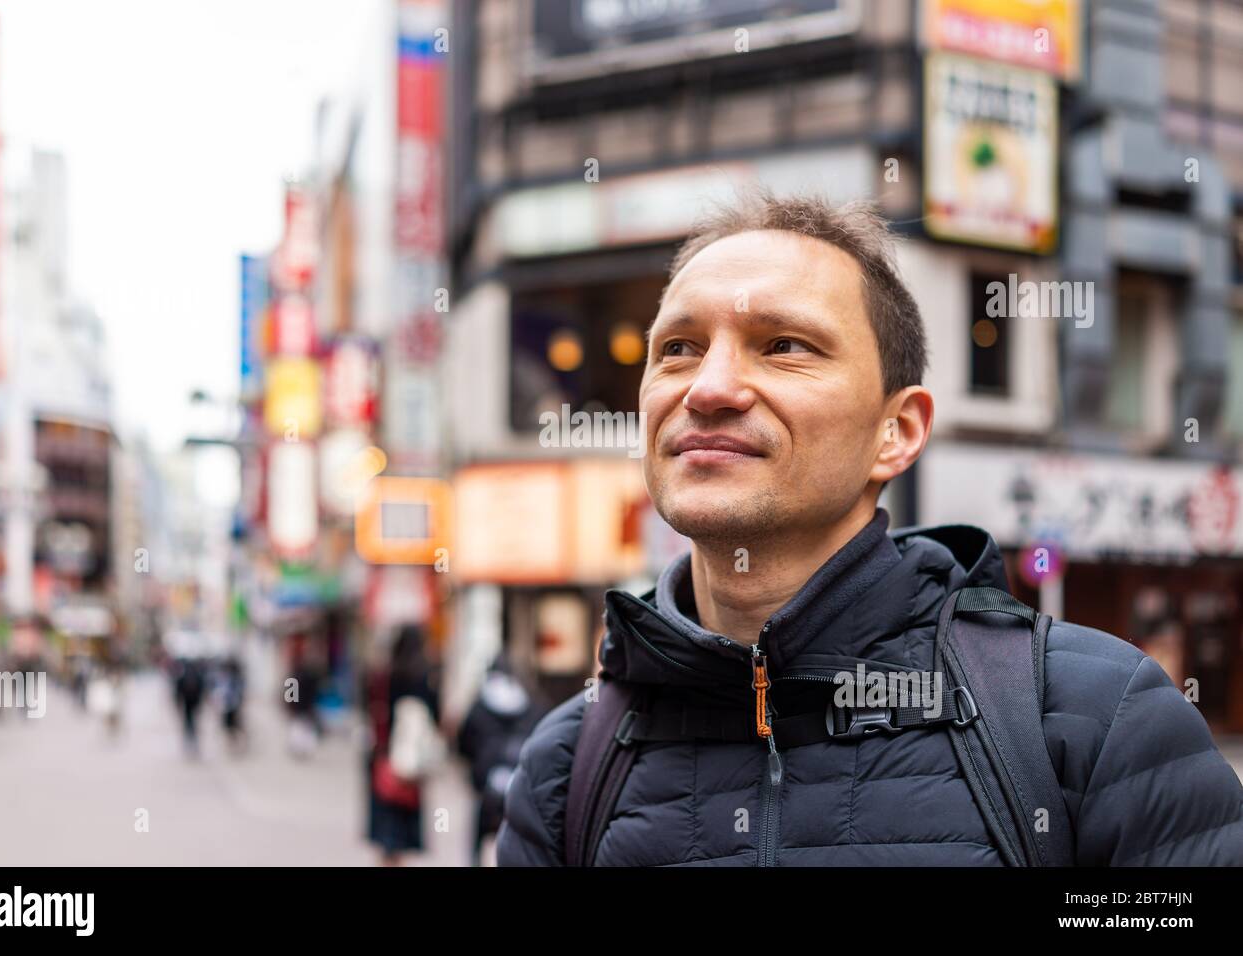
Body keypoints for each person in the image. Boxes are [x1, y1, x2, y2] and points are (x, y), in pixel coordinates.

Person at [497, 190, 1243, 867]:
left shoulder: (1097, 721)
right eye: (678, 349)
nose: (710, 387)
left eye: (784, 345)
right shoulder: (568, 766)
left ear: (897, 430)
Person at [456, 656, 545, 866]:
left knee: (480, 833)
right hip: (519, 779)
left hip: (487, 781)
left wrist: (475, 768)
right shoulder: (532, 704)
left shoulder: (480, 704)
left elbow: (464, 740)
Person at [365, 624, 441, 866]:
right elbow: (435, 717)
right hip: (412, 760)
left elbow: (372, 710)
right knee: (403, 813)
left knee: (387, 821)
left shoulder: (385, 675)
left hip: (384, 754)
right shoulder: (425, 677)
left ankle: (388, 858)